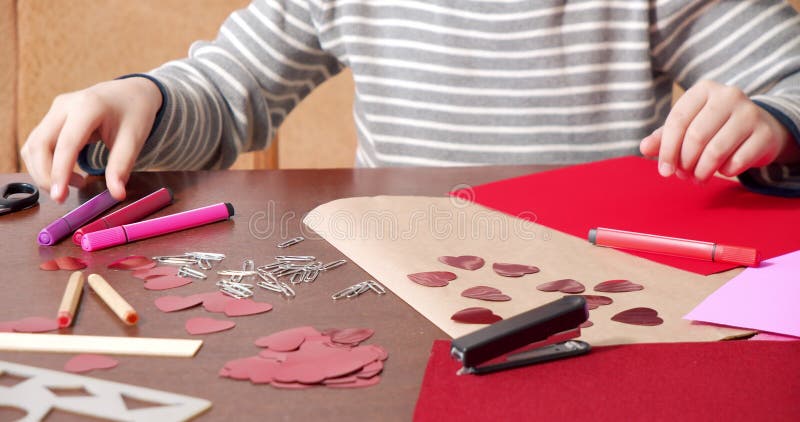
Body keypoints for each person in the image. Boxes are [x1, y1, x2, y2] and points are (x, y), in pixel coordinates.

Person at [21, 0, 800, 203]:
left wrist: (775, 122)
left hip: (596, 295)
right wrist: (141, 99)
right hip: (402, 287)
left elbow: (793, 83)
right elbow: (228, 96)